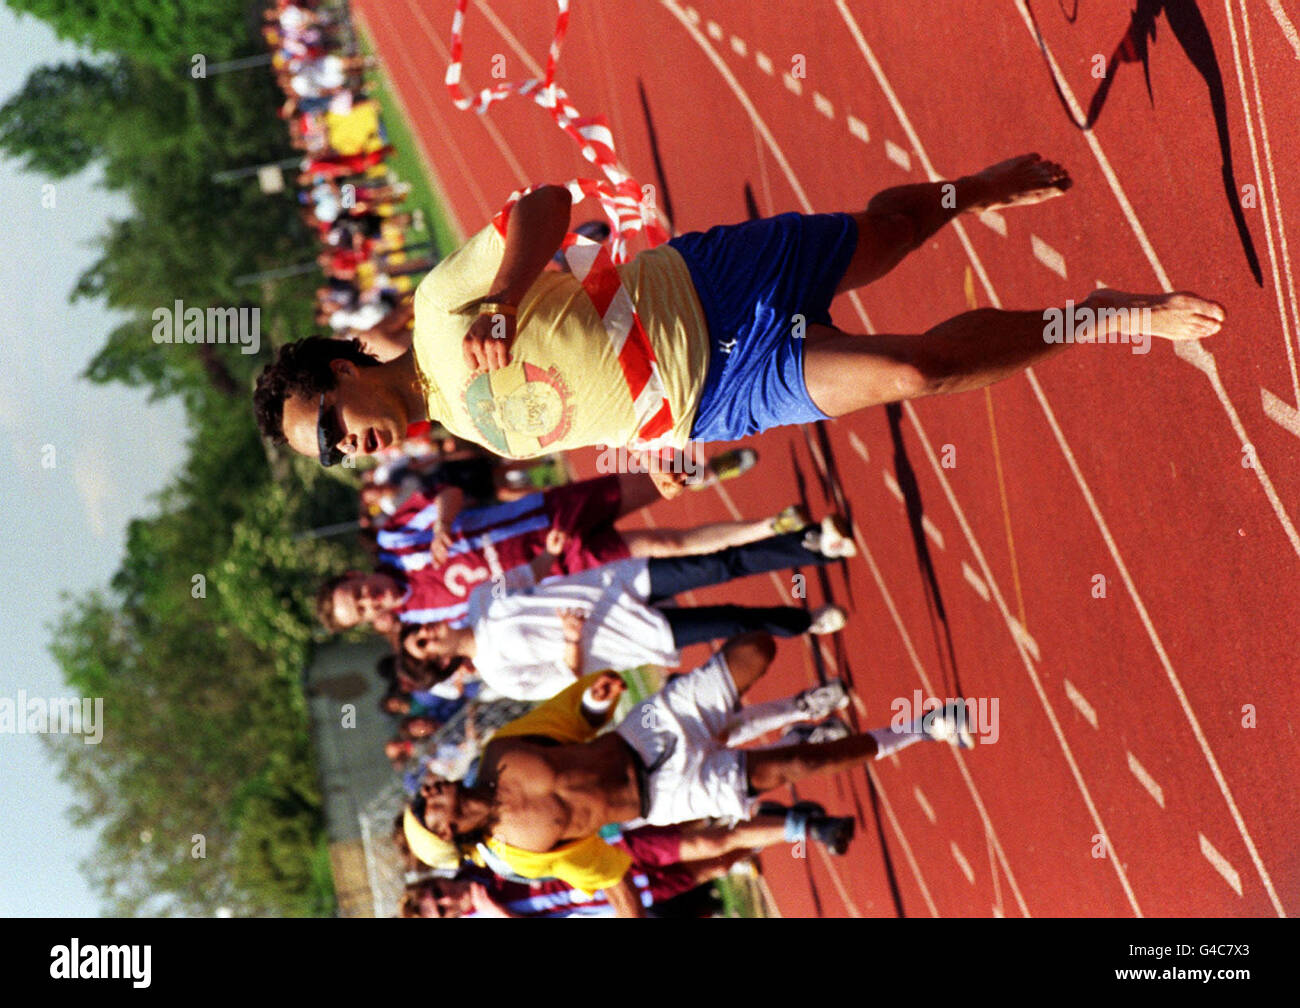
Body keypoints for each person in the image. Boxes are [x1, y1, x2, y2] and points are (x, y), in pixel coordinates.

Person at [254, 153, 1225, 486]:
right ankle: (1095, 319)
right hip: (720, 394)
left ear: (338, 374)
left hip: (706, 288)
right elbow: (590, 403)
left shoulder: (434, 313)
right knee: (914, 373)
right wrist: (657, 447)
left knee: (886, 233)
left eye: (329, 428)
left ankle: (964, 193)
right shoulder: (466, 431)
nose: (351, 448)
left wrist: (503, 300)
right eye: (334, 458)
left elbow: (547, 203)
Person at [415, 634, 973, 916]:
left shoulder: (498, 753)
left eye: (424, 791)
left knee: (757, 647)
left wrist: (593, 699)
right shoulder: (522, 853)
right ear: (444, 833)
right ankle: (927, 727)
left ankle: (798, 712)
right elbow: (607, 874)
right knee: (802, 767)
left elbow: (567, 720)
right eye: (426, 805)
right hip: (669, 795)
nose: (431, 788)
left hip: (645, 732)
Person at [395, 524, 853, 701]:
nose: (429, 629)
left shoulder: (480, 599)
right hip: (632, 636)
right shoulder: (499, 674)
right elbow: (568, 679)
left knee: (718, 563)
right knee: (735, 621)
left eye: (421, 629)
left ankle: (810, 545)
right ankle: (805, 621)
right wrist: (572, 638)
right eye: (424, 641)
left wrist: (549, 556)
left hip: (618, 584)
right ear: (439, 662)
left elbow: (525, 577)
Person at [318, 472, 810, 633]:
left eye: (358, 592)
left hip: (544, 515)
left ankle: (710, 468)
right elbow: (500, 611)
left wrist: (444, 524)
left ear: (354, 573)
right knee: (665, 545)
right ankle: (770, 526)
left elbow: (447, 492)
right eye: (362, 610)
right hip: (559, 562)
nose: (370, 599)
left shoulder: (395, 542)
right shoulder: (427, 622)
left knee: (658, 484)